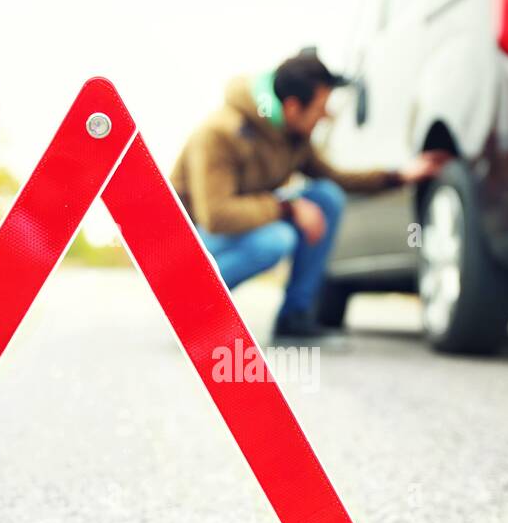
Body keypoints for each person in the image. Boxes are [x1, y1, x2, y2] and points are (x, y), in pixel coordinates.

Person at [170, 52, 448, 342]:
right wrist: (288, 208)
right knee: (277, 239)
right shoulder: (219, 132)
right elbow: (215, 215)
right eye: (321, 107)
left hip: (242, 225)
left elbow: (337, 179)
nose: (327, 116)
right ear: (292, 108)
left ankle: (294, 318)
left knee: (325, 198)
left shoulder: (293, 135)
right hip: (191, 240)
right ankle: (190, 303)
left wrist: (399, 175)